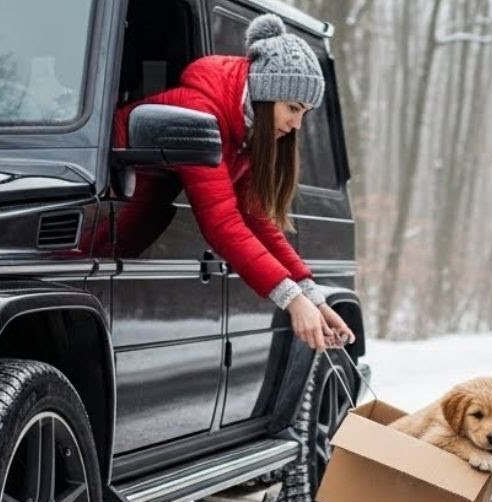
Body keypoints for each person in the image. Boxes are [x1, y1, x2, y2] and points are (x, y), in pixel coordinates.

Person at [114, 13, 355, 351]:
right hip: (94, 220)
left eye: (305, 113)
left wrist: (313, 298)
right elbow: (222, 223)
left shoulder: (245, 132)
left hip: (124, 237)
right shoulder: (199, 113)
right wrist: (292, 300)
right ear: (265, 93)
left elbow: (256, 219)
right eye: (293, 108)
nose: (297, 124)